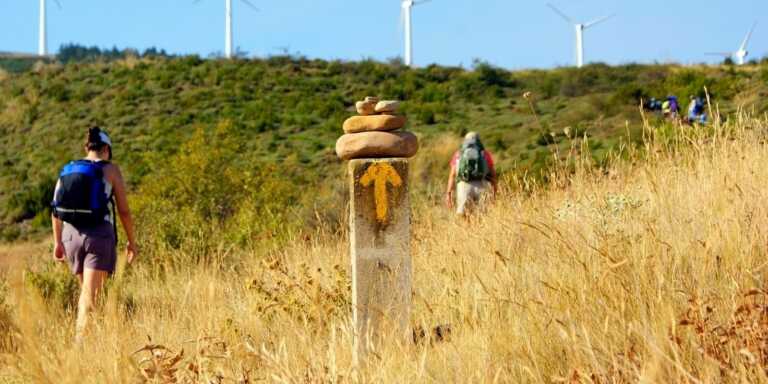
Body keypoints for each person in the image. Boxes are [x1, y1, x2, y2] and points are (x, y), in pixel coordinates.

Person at [51, 127, 137, 341]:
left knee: (88, 294)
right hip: (98, 235)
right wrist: (132, 242)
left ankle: (95, 343)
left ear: (86, 148)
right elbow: (124, 211)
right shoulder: (111, 170)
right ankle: (79, 348)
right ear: (106, 149)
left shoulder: (69, 169)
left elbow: (55, 209)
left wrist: (57, 242)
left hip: (70, 236)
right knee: (90, 298)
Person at [444, 132, 498, 215]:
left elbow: (452, 175)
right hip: (481, 185)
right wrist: (495, 190)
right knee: (482, 214)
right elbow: (493, 174)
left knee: (464, 214)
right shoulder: (485, 154)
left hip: (463, 186)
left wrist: (449, 193)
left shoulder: (458, 154)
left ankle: (467, 223)